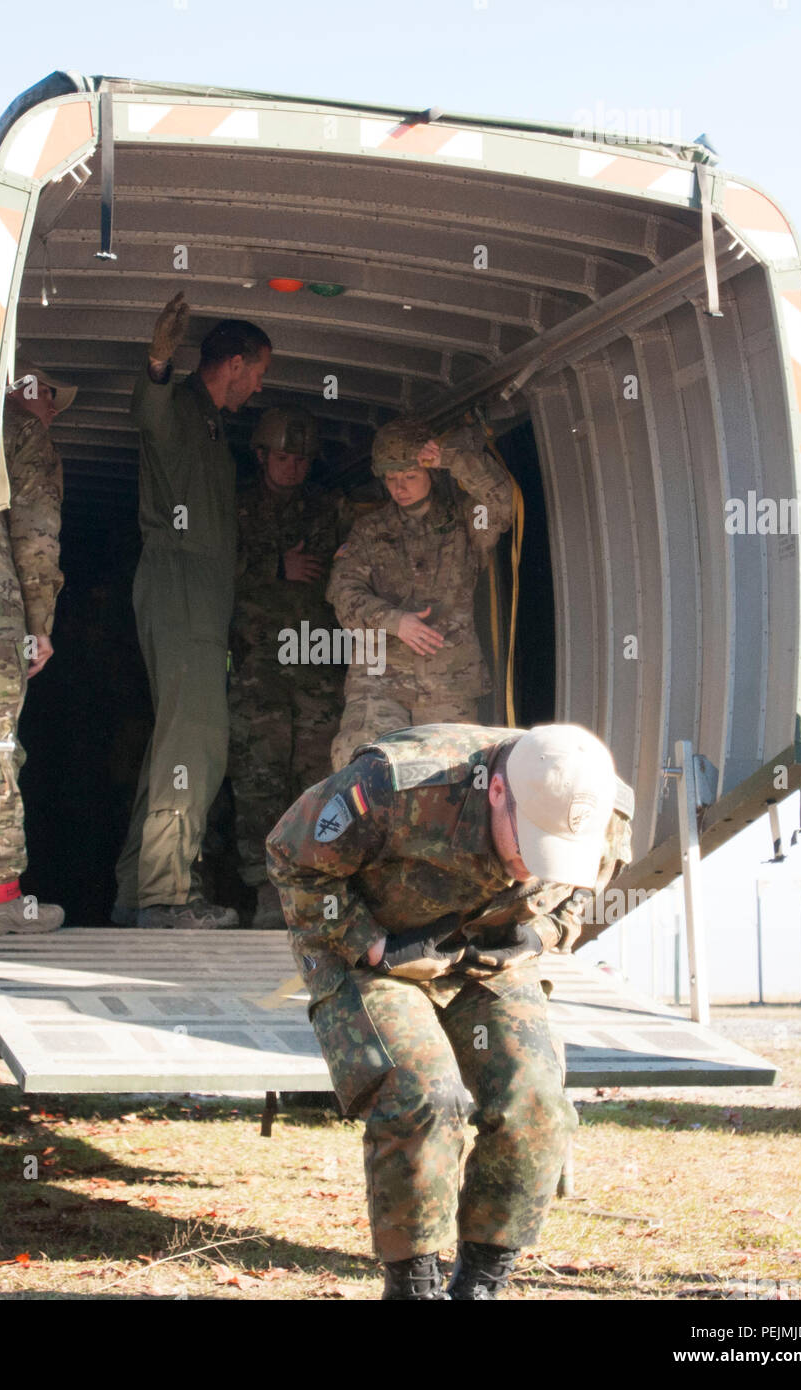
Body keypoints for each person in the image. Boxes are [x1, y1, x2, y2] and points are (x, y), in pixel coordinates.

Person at [266, 721, 633, 1300]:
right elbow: (294, 858)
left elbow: (587, 892)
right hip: (376, 954)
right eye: (530, 842)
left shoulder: (599, 807)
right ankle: (413, 1283)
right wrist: (371, 943)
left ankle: (482, 1282)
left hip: (488, 959)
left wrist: (538, 936)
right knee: (425, 1094)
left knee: (536, 1102)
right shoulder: (396, 784)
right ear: (496, 793)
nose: (535, 867)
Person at [113, 293, 272, 929]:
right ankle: (166, 896)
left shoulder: (211, 424)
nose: (260, 386)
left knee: (174, 743)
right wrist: (158, 359)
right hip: (180, 587)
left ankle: (138, 892)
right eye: (259, 371)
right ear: (234, 363)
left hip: (199, 596)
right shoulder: (181, 406)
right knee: (196, 743)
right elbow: (149, 412)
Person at [327, 416, 514, 769]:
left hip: (448, 682)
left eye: (410, 476)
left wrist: (452, 458)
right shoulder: (369, 530)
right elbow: (344, 593)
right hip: (380, 680)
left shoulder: (465, 523)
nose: (400, 487)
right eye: (392, 478)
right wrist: (395, 622)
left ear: (431, 473)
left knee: (448, 782)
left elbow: (502, 501)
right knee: (361, 766)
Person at [0, 363, 75, 936]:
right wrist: (40, 625)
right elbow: (35, 536)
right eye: (51, 394)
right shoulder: (25, 436)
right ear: (24, 389)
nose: (54, 408)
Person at [228, 407, 350, 928]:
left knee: (317, 779)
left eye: (302, 459)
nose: (294, 467)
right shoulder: (232, 508)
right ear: (260, 456)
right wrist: (275, 567)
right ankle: (263, 893)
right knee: (259, 777)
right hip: (259, 670)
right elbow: (203, 564)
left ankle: (314, 887)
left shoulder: (328, 509)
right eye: (283, 457)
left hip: (316, 667)